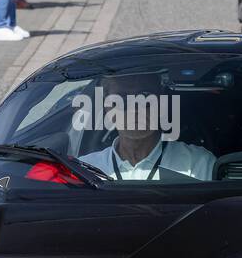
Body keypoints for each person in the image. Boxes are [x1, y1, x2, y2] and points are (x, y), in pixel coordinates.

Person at [78, 73, 216, 181]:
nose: (134, 107)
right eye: (122, 98)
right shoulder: (84, 170)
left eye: (145, 96)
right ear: (107, 105)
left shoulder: (198, 164)